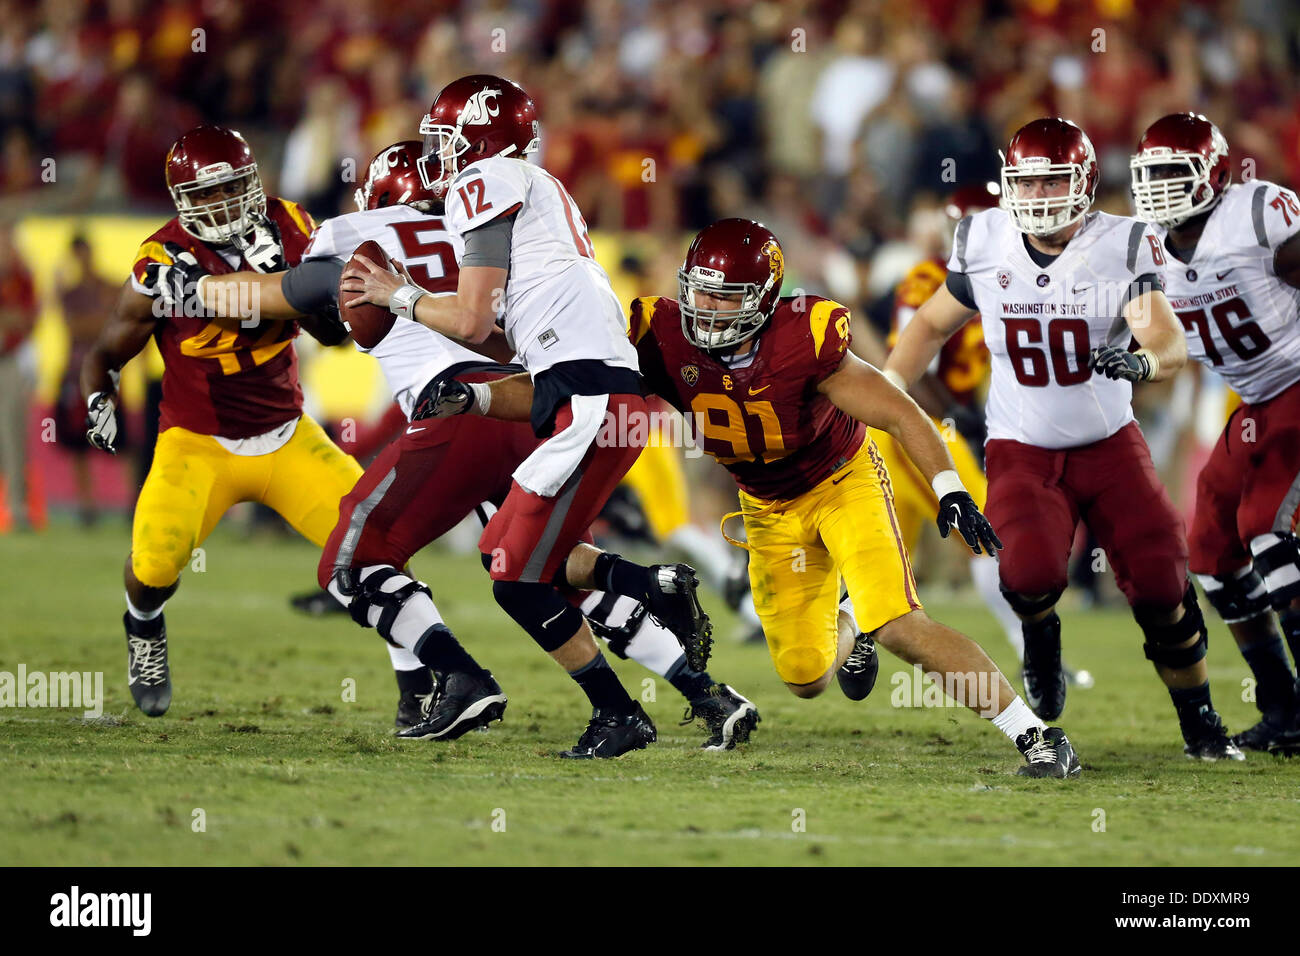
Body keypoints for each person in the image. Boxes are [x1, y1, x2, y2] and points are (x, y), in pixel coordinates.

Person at [425, 217, 1085, 778]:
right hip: (766, 509)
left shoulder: (806, 339)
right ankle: (847, 622)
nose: (708, 309)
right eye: (701, 294)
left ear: (766, 297)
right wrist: (479, 395)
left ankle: (1035, 735)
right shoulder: (661, 335)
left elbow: (901, 412)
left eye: (727, 297)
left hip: (840, 485)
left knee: (903, 627)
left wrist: (948, 489)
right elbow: (564, 388)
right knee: (803, 677)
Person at [183, 140, 761, 750]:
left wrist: (196, 289)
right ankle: (702, 686)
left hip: (459, 409)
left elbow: (277, 300)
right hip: (530, 403)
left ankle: (460, 679)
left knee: (356, 560)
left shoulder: (355, 236)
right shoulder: (486, 233)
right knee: (540, 566)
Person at [887, 117, 1239, 760]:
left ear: (1083, 183)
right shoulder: (985, 238)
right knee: (1025, 573)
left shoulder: (1122, 243)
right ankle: (1040, 639)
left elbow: (1164, 336)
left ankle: (1202, 722)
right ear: (1008, 183)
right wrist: (887, 391)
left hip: (1110, 444)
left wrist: (1143, 361)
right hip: (1022, 446)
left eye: (1054, 182)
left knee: (1163, 583)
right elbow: (931, 327)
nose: (1041, 196)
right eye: (1028, 182)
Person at [81, 125, 362, 717]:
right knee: (154, 562)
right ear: (183, 200)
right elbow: (104, 353)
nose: (224, 204)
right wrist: (97, 399)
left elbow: (336, 336)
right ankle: (144, 626)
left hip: (287, 434)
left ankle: (420, 688)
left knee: (375, 544)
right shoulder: (161, 262)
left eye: (233, 187)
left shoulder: (291, 228)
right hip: (197, 443)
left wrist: (289, 280)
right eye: (208, 194)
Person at [1132, 112, 1300, 754]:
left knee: (1266, 526)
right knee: (1209, 550)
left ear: (1214, 171)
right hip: (1252, 399)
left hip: (1294, 383)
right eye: (1154, 175)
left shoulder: (1258, 213)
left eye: (1177, 171)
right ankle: (1283, 705)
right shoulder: (1146, 247)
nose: (1164, 187)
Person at [55, 235, 118, 524]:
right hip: (78, 372)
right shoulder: (74, 293)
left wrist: (95, 323)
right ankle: (87, 505)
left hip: (103, 373)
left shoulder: (109, 288)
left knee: (122, 440)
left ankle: (130, 501)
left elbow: (108, 326)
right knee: (79, 442)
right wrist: (100, 321)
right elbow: (76, 328)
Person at [0, 221, 38, 531]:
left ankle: (18, 508)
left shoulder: (20, 277)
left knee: (13, 435)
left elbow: (26, 319)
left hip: (9, 361)